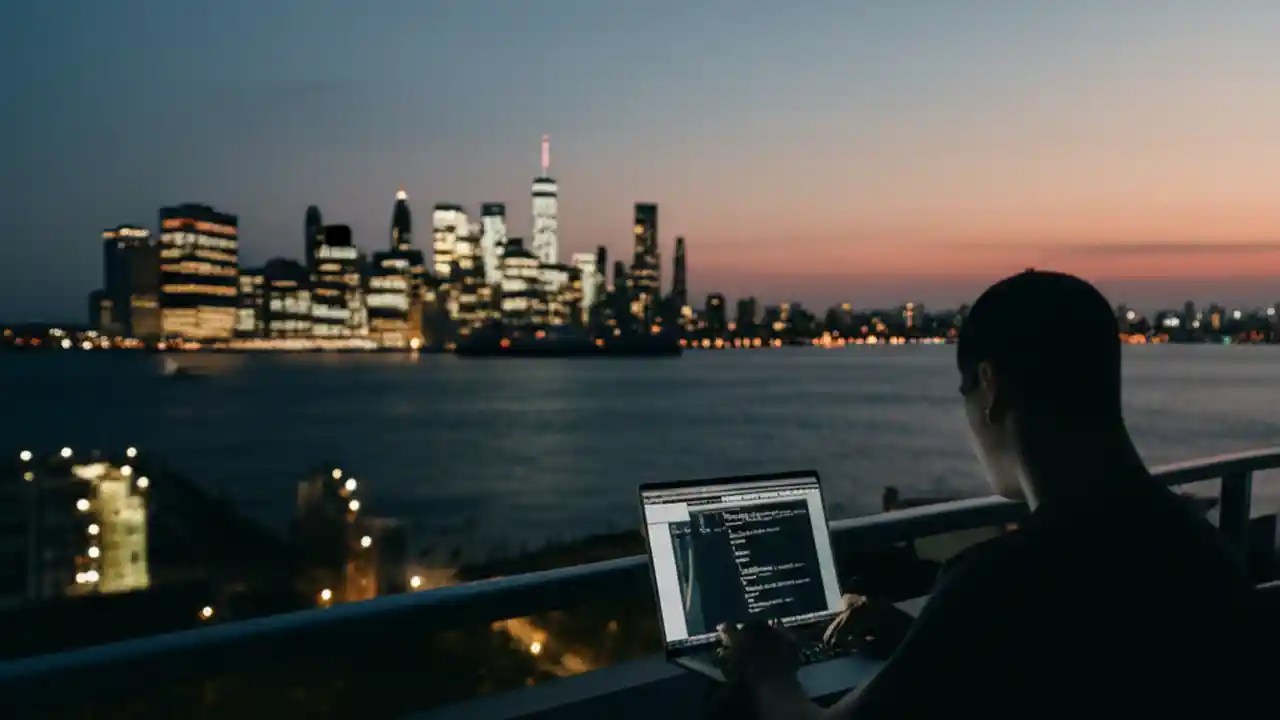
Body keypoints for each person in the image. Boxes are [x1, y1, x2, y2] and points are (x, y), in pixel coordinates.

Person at [718, 270, 1257, 719]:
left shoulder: (1002, 580)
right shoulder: (1199, 546)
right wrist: (920, 639)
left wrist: (763, 665)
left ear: (991, 387)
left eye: (965, 394)